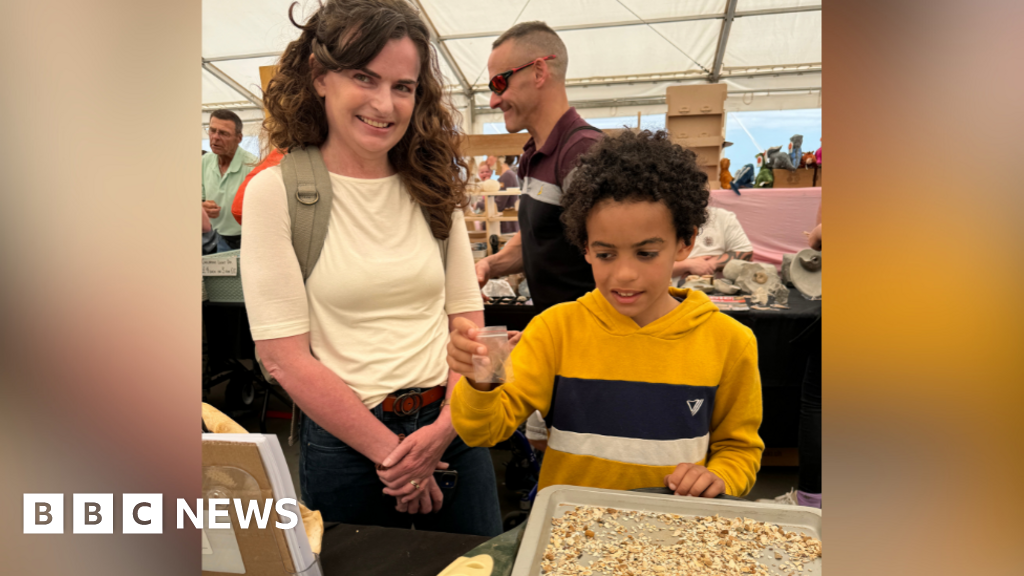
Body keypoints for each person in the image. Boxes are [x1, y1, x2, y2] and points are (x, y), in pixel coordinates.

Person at [240, 0, 500, 536]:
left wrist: (442, 433)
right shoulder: (279, 192)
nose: (385, 103)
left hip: (453, 428)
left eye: (403, 86)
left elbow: (467, 323)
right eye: (364, 77)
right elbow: (282, 357)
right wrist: (399, 458)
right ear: (319, 76)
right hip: (347, 444)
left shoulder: (433, 185)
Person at [448, 130, 764, 497]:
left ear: (686, 242)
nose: (624, 274)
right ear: (584, 247)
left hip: (675, 538)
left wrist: (720, 477)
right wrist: (481, 378)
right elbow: (484, 431)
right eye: (605, 254)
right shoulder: (555, 330)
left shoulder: (729, 342)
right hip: (568, 536)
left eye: (646, 253)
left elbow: (739, 448)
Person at [474, 21, 604, 312]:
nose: (494, 101)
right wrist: (488, 265)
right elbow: (542, 237)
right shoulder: (534, 155)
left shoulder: (582, 155)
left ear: (538, 72)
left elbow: (618, 269)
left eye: (499, 83)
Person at [202, 110, 255, 250]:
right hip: (211, 238)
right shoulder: (204, 162)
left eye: (223, 133)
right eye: (212, 130)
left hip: (244, 241)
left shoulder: (252, 166)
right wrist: (202, 206)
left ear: (239, 138)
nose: (215, 137)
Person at [671, 206, 753, 283]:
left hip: (709, 291)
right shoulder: (665, 216)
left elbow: (746, 252)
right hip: (667, 290)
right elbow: (658, 265)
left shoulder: (723, 217)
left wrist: (711, 264)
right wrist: (687, 265)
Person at [494, 155, 520, 234]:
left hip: (508, 227)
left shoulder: (507, 176)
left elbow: (499, 204)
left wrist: (478, 204)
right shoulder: (506, 175)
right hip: (507, 226)